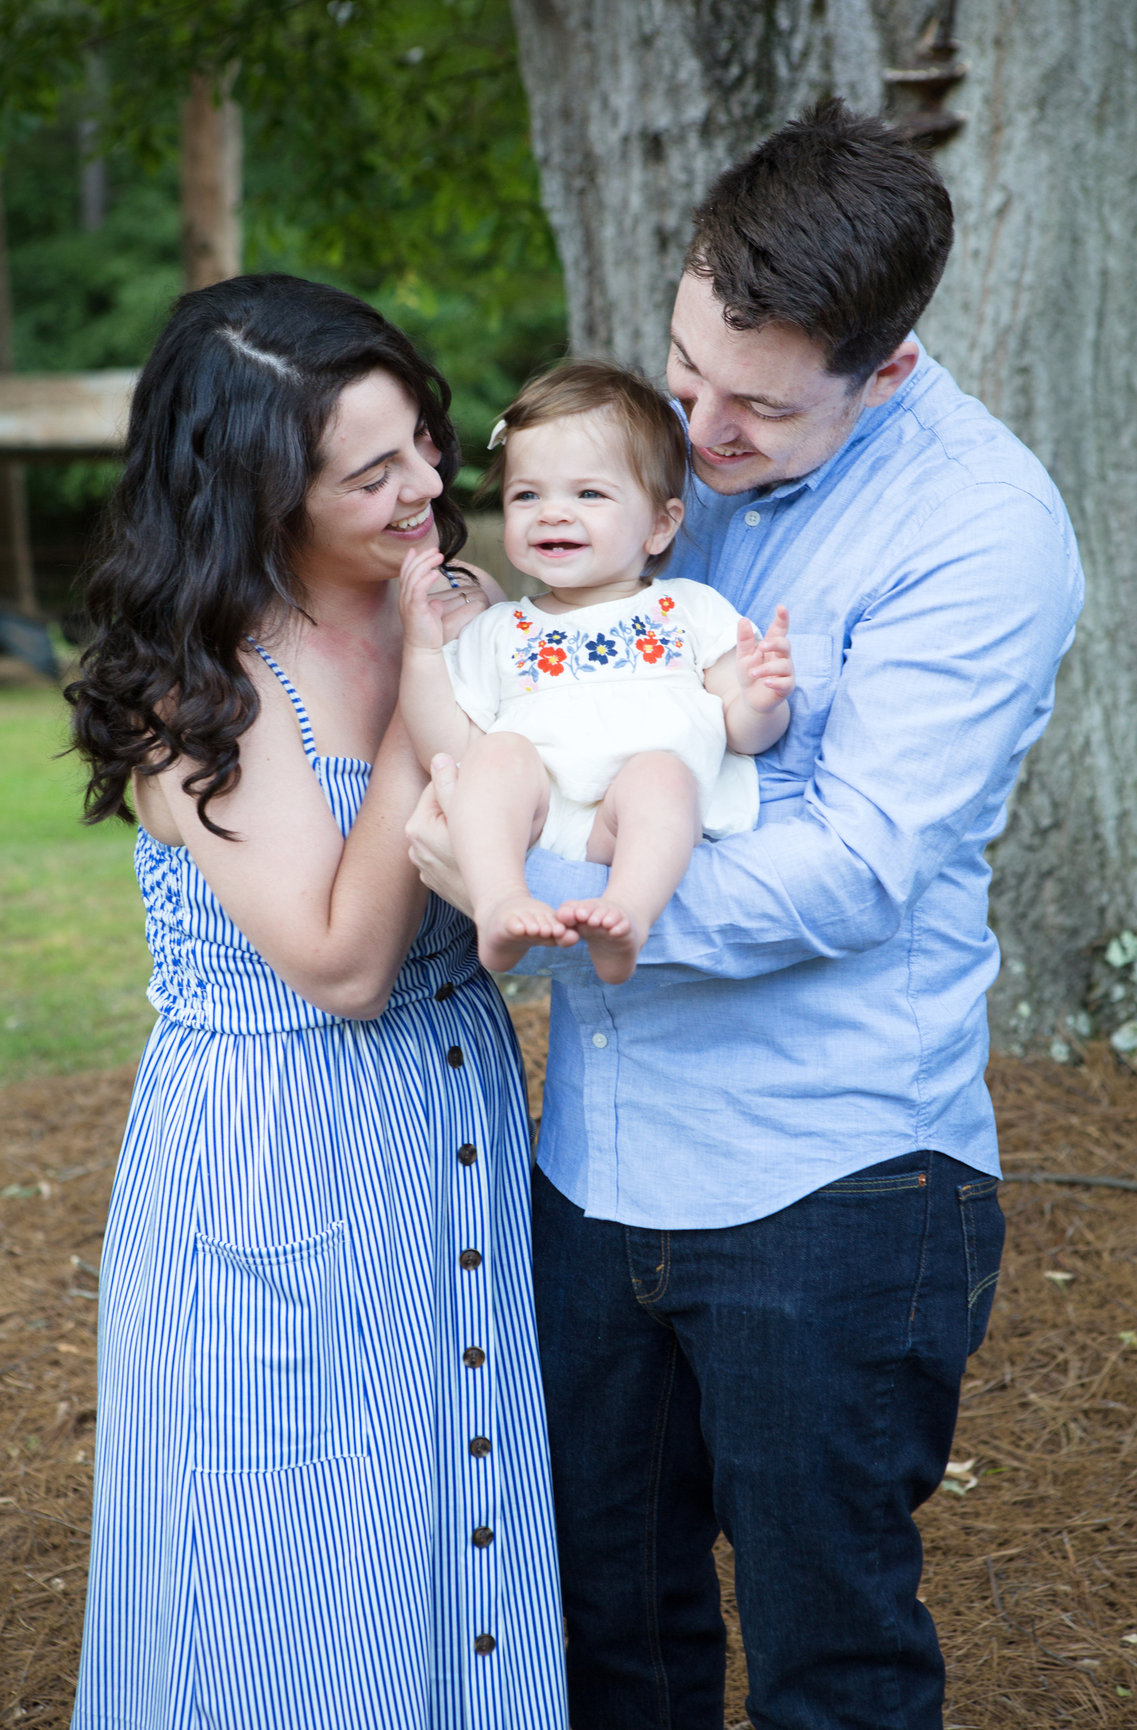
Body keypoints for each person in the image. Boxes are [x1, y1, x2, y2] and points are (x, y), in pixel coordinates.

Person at [406, 100, 1085, 1730]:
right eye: (683, 369)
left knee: (825, 1658)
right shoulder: (669, 453)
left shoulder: (983, 533)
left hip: (830, 1180)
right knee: (607, 1634)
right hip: (594, 1167)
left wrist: (544, 894)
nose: (698, 431)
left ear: (887, 368)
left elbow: (853, 864)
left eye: (759, 409)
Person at [66, 273, 567, 1730]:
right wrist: (435, 684)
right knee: (279, 1590)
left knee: (449, 1540)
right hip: (273, 1158)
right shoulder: (197, 687)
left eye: (424, 437)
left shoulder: (462, 600)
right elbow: (344, 962)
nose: (428, 485)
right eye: (373, 470)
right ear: (256, 490)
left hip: (449, 1122)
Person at [396, 360, 795, 984]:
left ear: (661, 525)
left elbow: (741, 733)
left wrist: (763, 700)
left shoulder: (686, 609)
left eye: (589, 494)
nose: (551, 513)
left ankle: (627, 913)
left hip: (640, 826)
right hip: (542, 818)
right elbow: (452, 750)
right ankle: (501, 901)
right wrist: (422, 653)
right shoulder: (500, 630)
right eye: (527, 495)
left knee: (663, 773)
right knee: (498, 755)